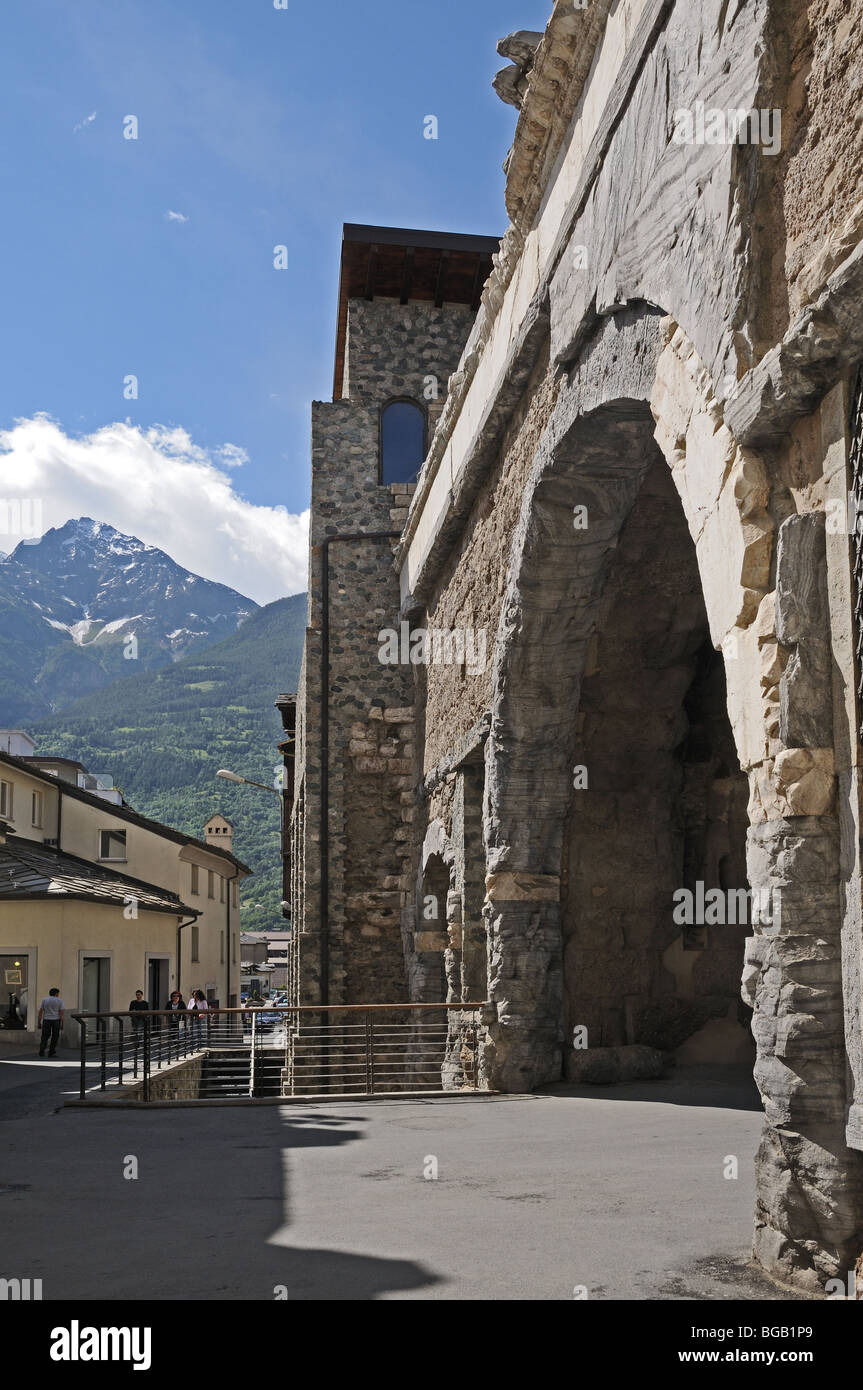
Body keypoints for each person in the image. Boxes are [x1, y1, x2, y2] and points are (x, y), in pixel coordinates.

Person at [37, 988, 65, 1057]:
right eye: (58, 993)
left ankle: (42, 1049)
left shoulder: (44, 1000)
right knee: (55, 1036)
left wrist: (39, 1022)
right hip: (56, 1020)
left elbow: (40, 1012)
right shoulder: (60, 1001)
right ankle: (51, 1052)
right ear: (56, 993)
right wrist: (62, 1024)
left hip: (46, 1019)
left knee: (45, 1035)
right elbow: (61, 1014)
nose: (58, 995)